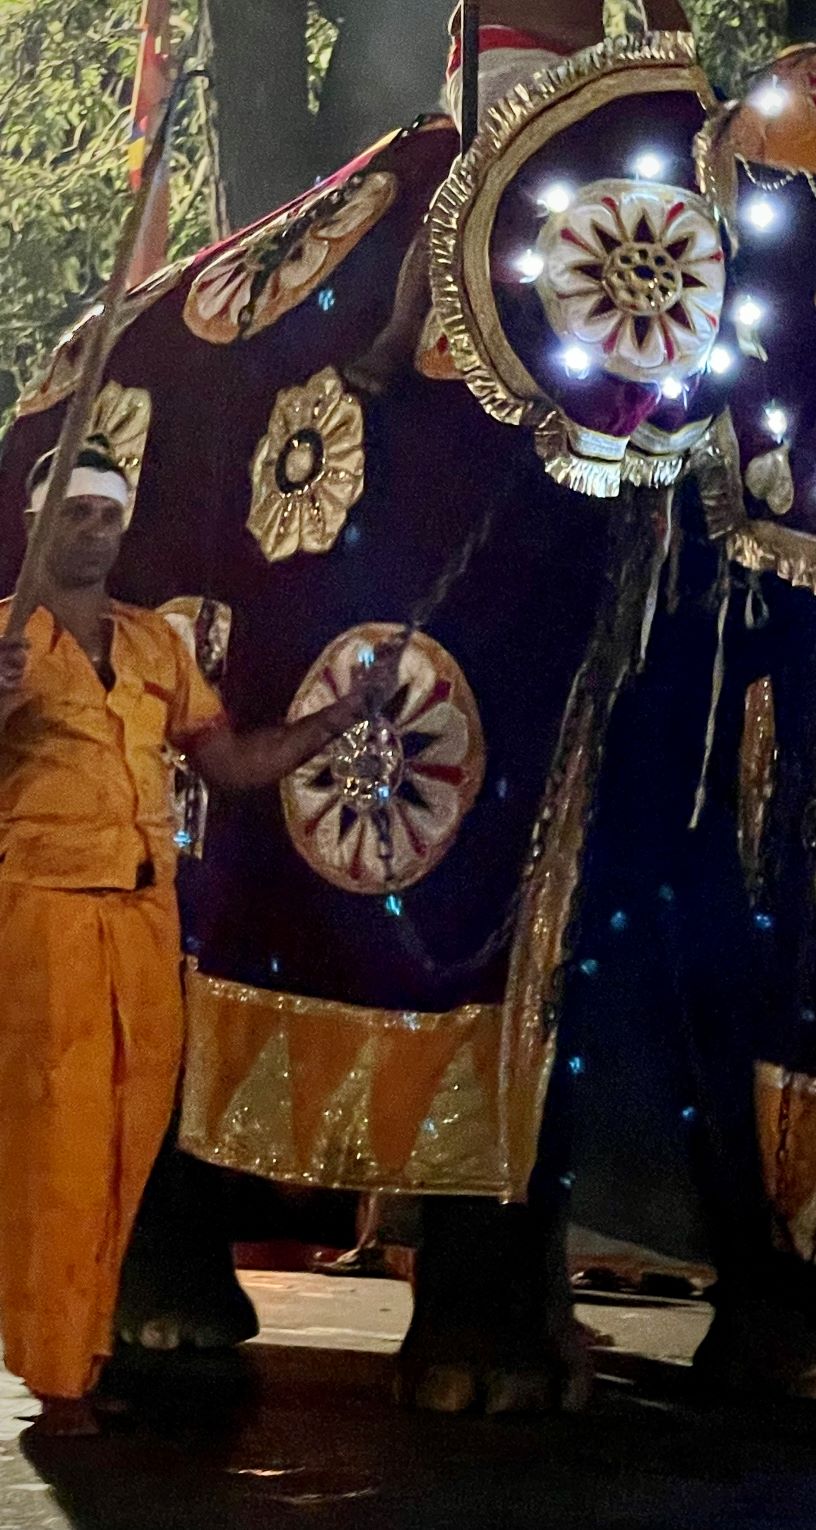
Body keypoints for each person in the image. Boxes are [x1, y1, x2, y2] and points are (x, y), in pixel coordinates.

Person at [0, 441, 400, 1436]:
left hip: (145, 916)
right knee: (58, 1140)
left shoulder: (151, 647)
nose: (92, 531)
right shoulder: (7, 642)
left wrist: (342, 714)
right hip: (44, 910)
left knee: (129, 1138)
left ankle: (81, 1347)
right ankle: (54, 1376)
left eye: (106, 514)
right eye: (74, 515)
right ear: (37, 525)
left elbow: (230, 766)